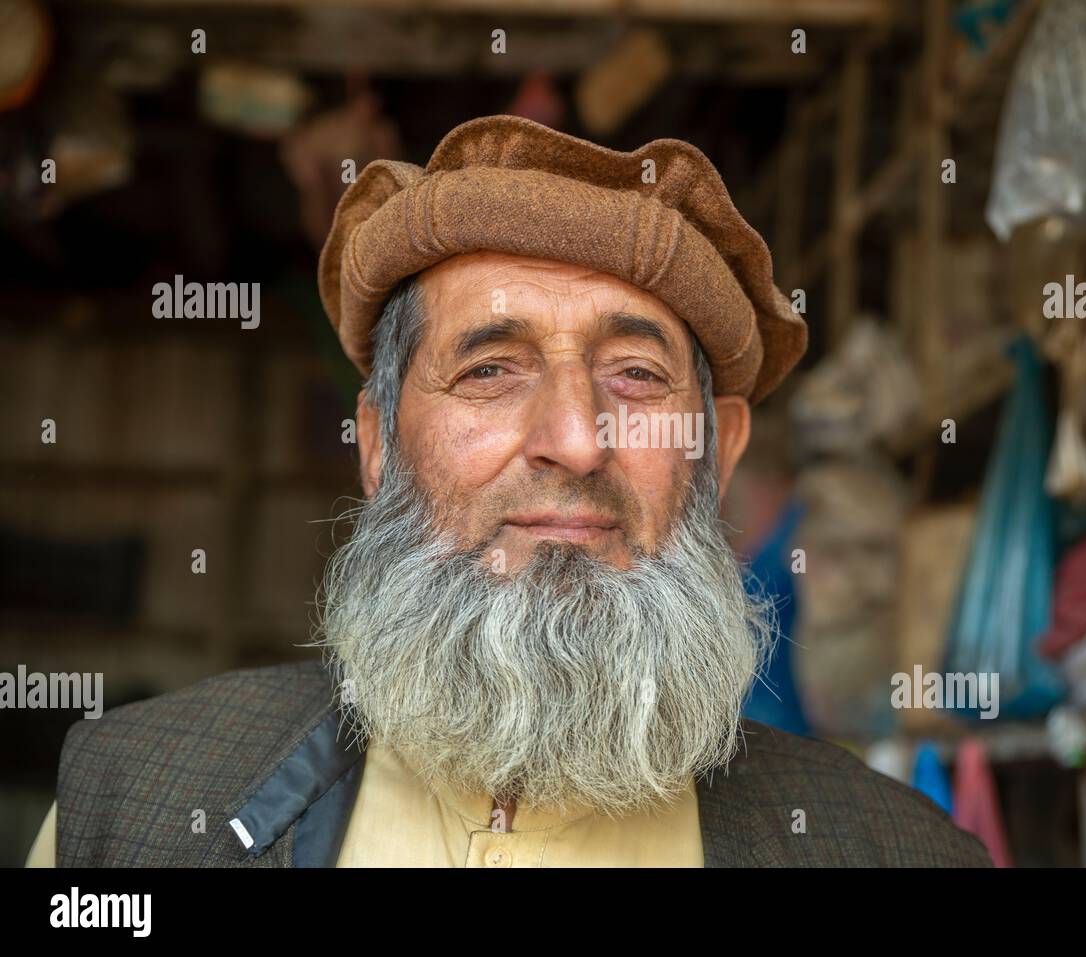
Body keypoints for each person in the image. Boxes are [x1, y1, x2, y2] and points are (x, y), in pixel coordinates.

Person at [28, 115, 989, 867]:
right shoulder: (128, 805)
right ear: (375, 445)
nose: (574, 440)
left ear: (716, 450)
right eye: (490, 370)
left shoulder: (898, 852)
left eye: (637, 376)